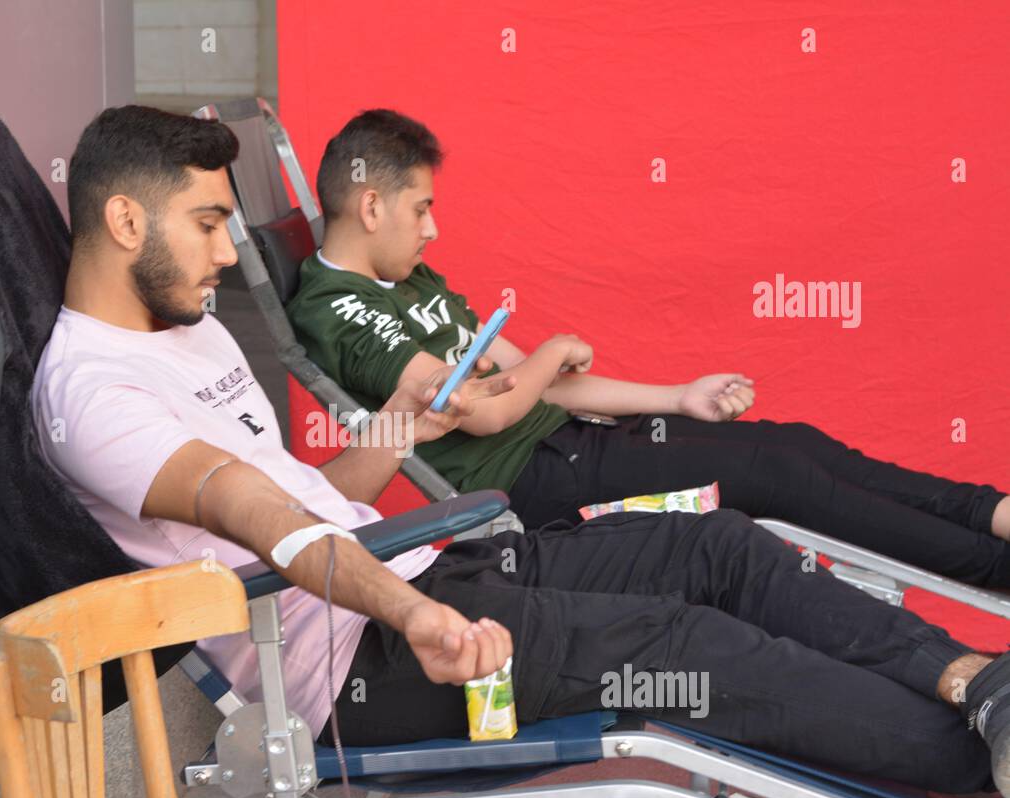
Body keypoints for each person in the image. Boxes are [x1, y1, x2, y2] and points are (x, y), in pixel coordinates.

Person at [32, 105, 1010, 798]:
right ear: (126, 221)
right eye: (206, 223)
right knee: (687, 646)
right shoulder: (94, 393)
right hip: (364, 662)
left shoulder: (184, 330)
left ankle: (976, 683)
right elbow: (260, 516)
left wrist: (398, 428)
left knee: (717, 545)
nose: (221, 251)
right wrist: (416, 606)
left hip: (420, 562)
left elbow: (309, 495)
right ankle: (976, 763)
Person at [285, 109, 1010, 591]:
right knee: (779, 475)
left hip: (577, 443)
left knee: (792, 442)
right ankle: (993, 564)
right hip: (535, 483)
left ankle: (993, 513)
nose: (433, 229)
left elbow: (529, 384)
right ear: (371, 205)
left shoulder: (412, 279)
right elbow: (473, 410)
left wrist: (677, 397)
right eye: (422, 208)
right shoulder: (341, 306)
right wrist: (553, 351)